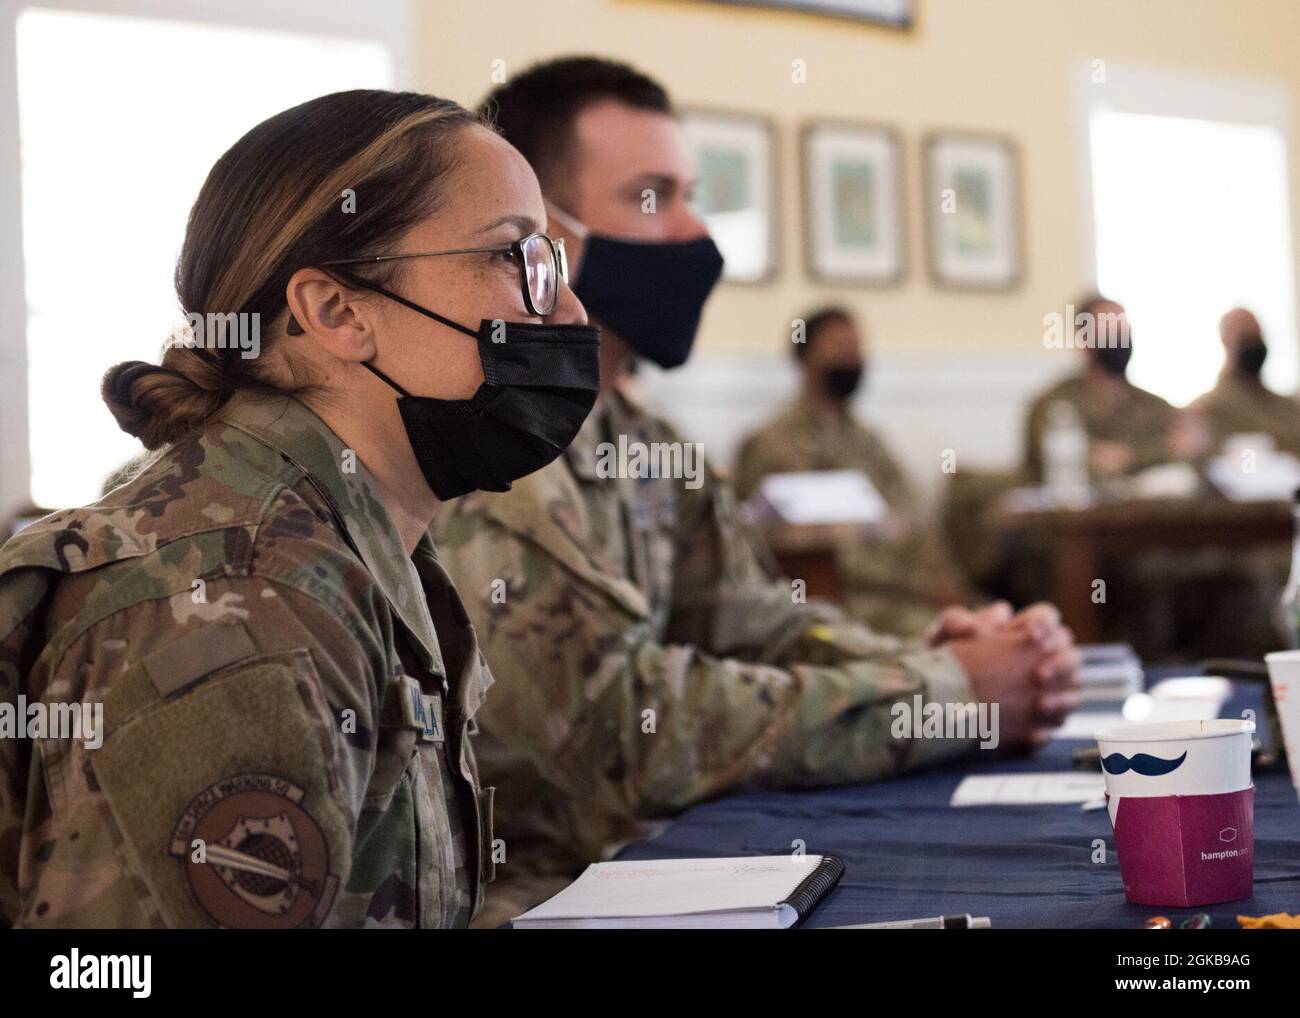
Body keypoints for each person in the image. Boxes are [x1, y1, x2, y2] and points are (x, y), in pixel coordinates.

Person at [433, 56, 1081, 927]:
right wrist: (942, 692)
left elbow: (755, 621)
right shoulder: (500, 445)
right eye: (655, 196)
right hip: (542, 894)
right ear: (545, 233)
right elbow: (626, 727)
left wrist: (936, 651)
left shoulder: (645, 439)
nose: (696, 231)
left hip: (673, 861)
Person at [0, 89, 599, 928]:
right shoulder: (238, 598)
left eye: (553, 265)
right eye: (514, 258)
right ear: (336, 311)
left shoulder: (339, 534)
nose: (566, 311)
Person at [735, 306, 972, 637]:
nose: (852, 357)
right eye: (839, 346)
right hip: (844, 600)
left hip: (908, 591)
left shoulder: (868, 442)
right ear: (805, 357)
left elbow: (911, 517)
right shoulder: (773, 444)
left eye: (857, 348)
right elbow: (778, 546)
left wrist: (943, 582)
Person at [1023, 295, 1194, 483]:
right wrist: (1152, 453)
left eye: (1123, 329)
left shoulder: (1153, 406)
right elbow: (1066, 462)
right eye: (1109, 329)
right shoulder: (1056, 403)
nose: (1119, 338)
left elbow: (1184, 448)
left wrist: (1128, 457)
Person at [1192, 307, 1300, 458]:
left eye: (1258, 336)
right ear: (1224, 340)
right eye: (1246, 336)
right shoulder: (1207, 409)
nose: (1254, 344)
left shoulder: (1289, 407)